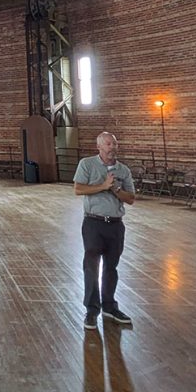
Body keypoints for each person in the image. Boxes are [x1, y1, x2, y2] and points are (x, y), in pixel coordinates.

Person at [73, 131, 135, 330]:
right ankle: (92, 310)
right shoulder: (87, 164)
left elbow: (131, 198)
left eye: (114, 144)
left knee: (111, 267)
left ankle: (109, 306)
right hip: (94, 223)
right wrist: (103, 186)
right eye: (108, 144)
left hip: (115, 225)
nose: (112, 147)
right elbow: (78, 189)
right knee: (91, 266)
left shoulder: (123, 170)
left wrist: (116, 189)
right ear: (99, 147)